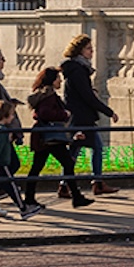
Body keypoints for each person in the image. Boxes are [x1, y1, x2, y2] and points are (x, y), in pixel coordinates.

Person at [24, 66, 94, 209]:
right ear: (52, 80)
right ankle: (76, 197)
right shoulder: (49, 95)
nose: (60, 82)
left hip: (45, 135)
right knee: (67, 164)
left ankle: (30, 198)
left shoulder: (44, 94)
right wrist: (64, 115)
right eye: (58, 79)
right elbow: (44, 113)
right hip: (51, 136)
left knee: (38, 166)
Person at [60, 34, 121, 196]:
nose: (92, 51)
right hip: (82, 118)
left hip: (79, 117)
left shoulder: (76, 69)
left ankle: (65, 184)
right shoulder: (78, 70)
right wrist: (109, 112)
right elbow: (88, 97)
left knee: (74, 151)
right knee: (95, 148)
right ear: (79, 50)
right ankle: (96, 182)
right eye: (88, 48)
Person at [0, 99, 41, 222]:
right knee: (12, 187)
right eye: (11, 114)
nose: (12, 117)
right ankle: (23, 208)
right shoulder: (2, 130)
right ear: (5, 115)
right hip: (1, 164)